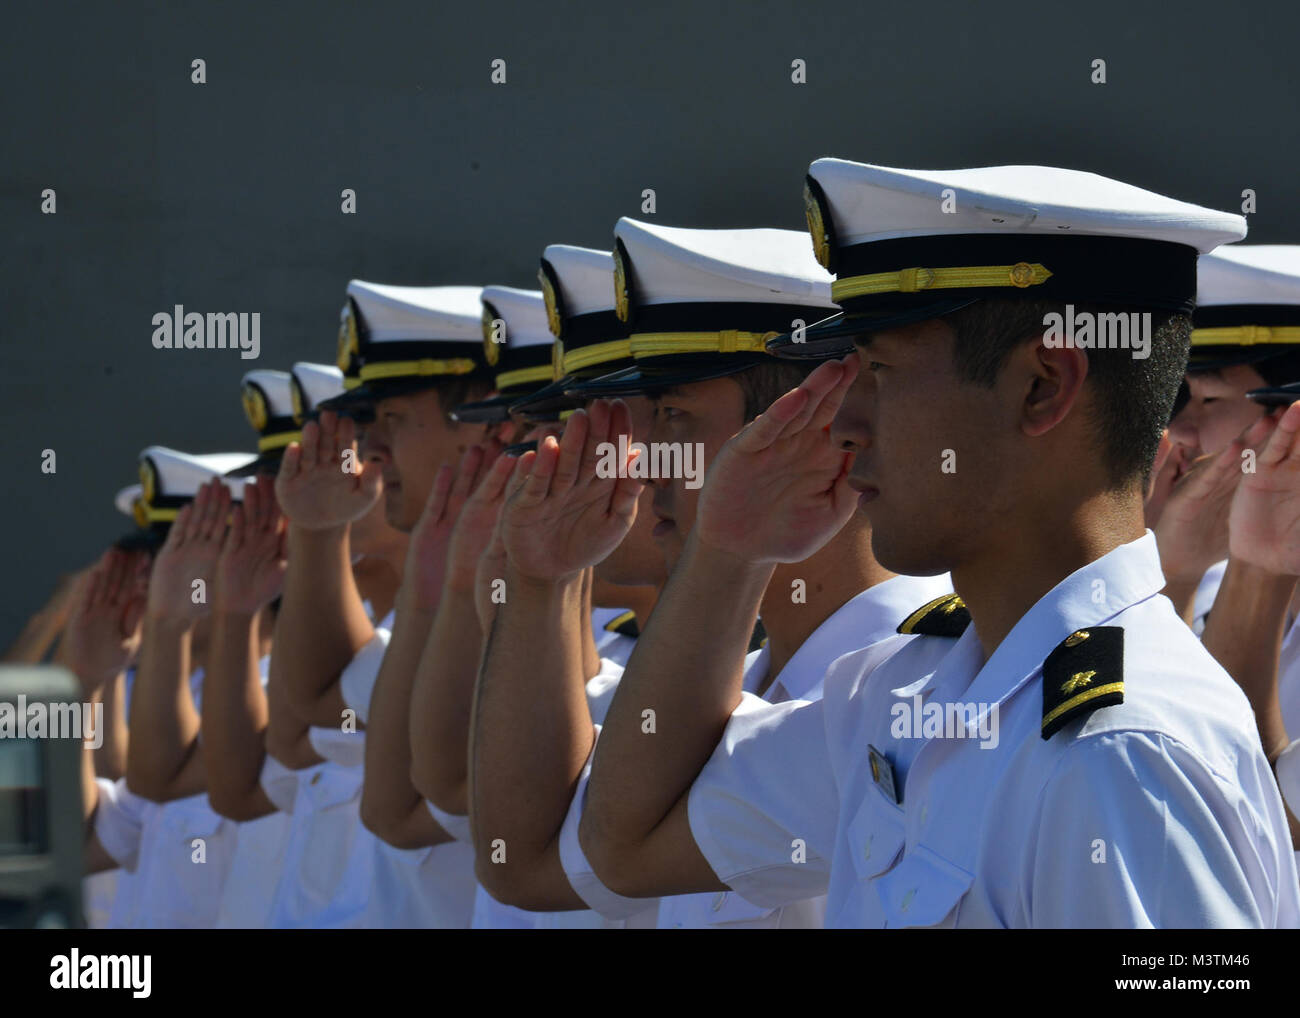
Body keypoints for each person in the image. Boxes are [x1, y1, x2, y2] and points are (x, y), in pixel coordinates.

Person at [576, 158, 1299, 927]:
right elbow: (626, 844)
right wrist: (727, 549)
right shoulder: (914, 695)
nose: (846, 423)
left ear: (1042, 386)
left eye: (882, 371)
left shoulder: (1120, 754)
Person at [471, 219, 951, 928]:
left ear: (817, 426)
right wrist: (539, 582)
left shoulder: (920, 689)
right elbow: (524, 864)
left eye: (673, 418)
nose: (644, 461)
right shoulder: (739, 678)